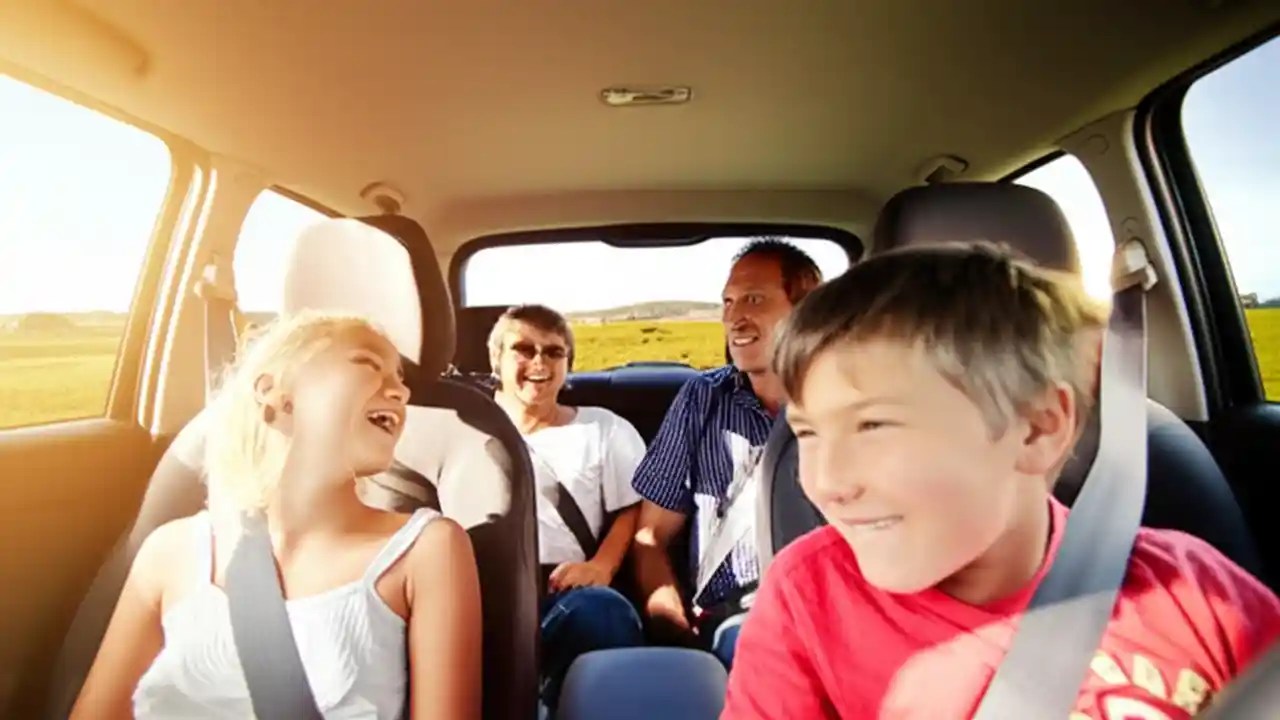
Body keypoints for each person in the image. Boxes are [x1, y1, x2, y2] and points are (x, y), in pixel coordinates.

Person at [721, 242, 1280, 719]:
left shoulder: (1197, 596)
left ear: (1038, 430)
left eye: (874, 425)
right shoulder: (807, 595)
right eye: (808, 434)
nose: (826, 481)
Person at [70, 311, 482, 720]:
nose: (400, 392)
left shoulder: (425, 550)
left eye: (401, 379)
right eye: (369, 364)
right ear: (276, 394)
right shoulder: (170, 553)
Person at [630, 239, 823, 668]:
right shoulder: (703, 397)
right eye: (728, 302)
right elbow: (650, 537)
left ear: (807, 311)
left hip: (824, 612)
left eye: (754, 299)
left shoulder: (848, 403)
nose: (735, 317)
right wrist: (667, 617)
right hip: (729, 620)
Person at [487, 304, 647, 709]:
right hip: (481, 594)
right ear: (496, 361)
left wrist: (601, 566)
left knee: (603, 612)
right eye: (523, 349)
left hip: (563, 589)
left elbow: (632, 509)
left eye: (554, 352)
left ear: (568, 365)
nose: (539, 362)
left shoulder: (603, 428)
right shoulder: (463, 430)